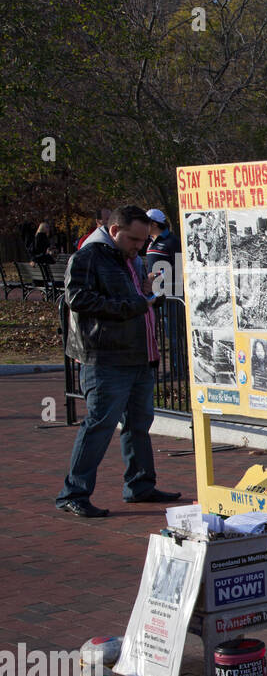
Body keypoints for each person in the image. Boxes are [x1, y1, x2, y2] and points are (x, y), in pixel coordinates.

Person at [55, 205, 182, 517]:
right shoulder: (88, 256)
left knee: (139, 423)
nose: (139, 246)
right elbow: (78, 299)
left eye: (142, 240)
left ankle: (140, 484)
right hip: (105, 356)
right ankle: (74, 492)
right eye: (133, 239)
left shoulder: (131, 258)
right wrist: (132, 304)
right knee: (99, 423)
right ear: (114, 231)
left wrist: (148, 292)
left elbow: (139, 298)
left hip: (139, 354)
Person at [145, 208, 184, 369]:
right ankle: (172, 365)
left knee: (173, 332)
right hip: (156, 293)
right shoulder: (150, 241)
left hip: (171, 292)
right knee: (163, 333)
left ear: (154, 224)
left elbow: (180, 265)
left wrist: (158, 274)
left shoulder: (172, 241)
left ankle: (178, 367)